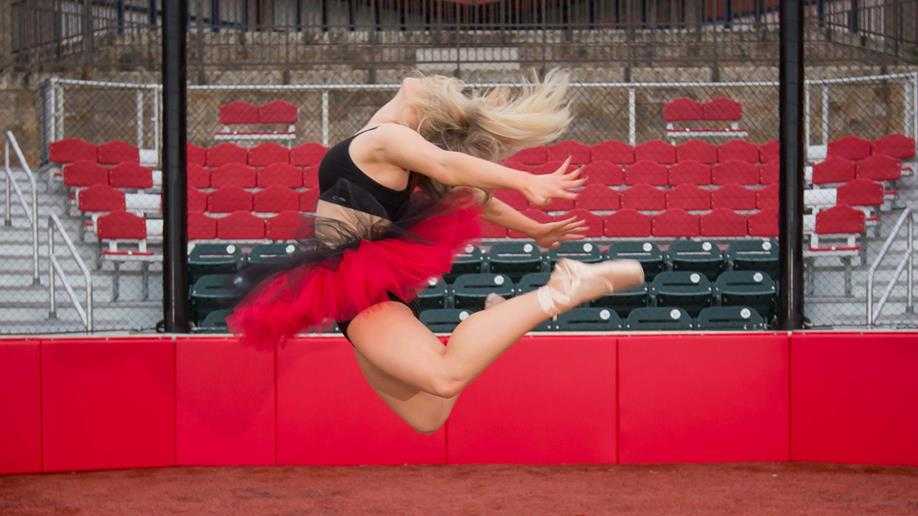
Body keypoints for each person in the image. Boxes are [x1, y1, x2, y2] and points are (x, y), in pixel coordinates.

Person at [228, 70, 645, 433]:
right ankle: (494, 318)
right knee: (428, 416)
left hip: (361, 291)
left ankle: (562, 289)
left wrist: (525, 181)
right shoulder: (389, 142)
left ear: (423, 113)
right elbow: (472, 196)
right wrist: (535, 230)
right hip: (356, 290)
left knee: (445, 378)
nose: (419, 79)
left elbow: (449, 168)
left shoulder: (390, 138)